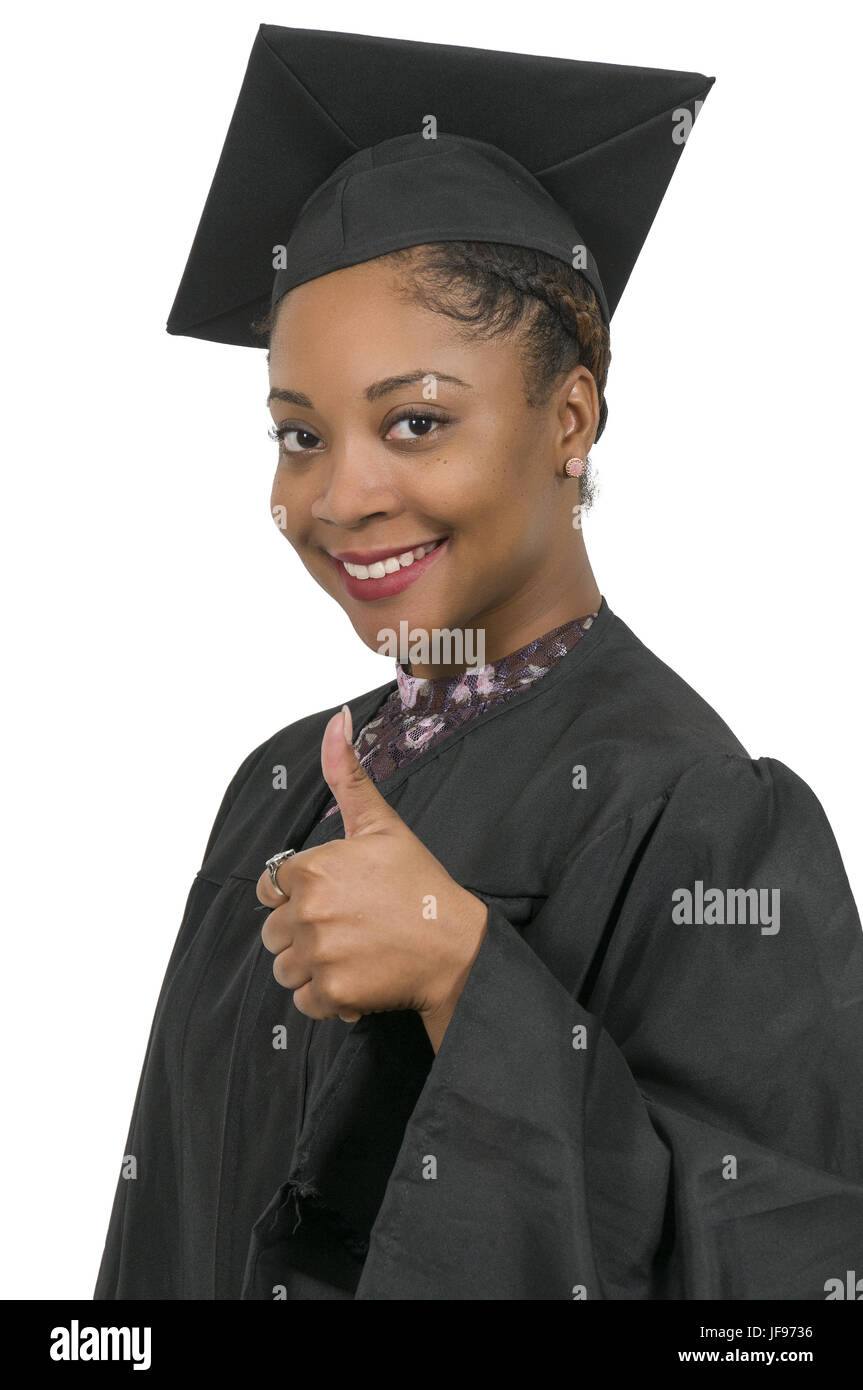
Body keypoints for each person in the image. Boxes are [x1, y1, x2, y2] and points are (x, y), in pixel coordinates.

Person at [94, 24, 863, 1301]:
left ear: (567, 418)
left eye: (415, 421)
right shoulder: (280, 784)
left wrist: (463, 974)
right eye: (298, 435)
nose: (341, 495)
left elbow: (782, 1299)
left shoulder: (701, 819)